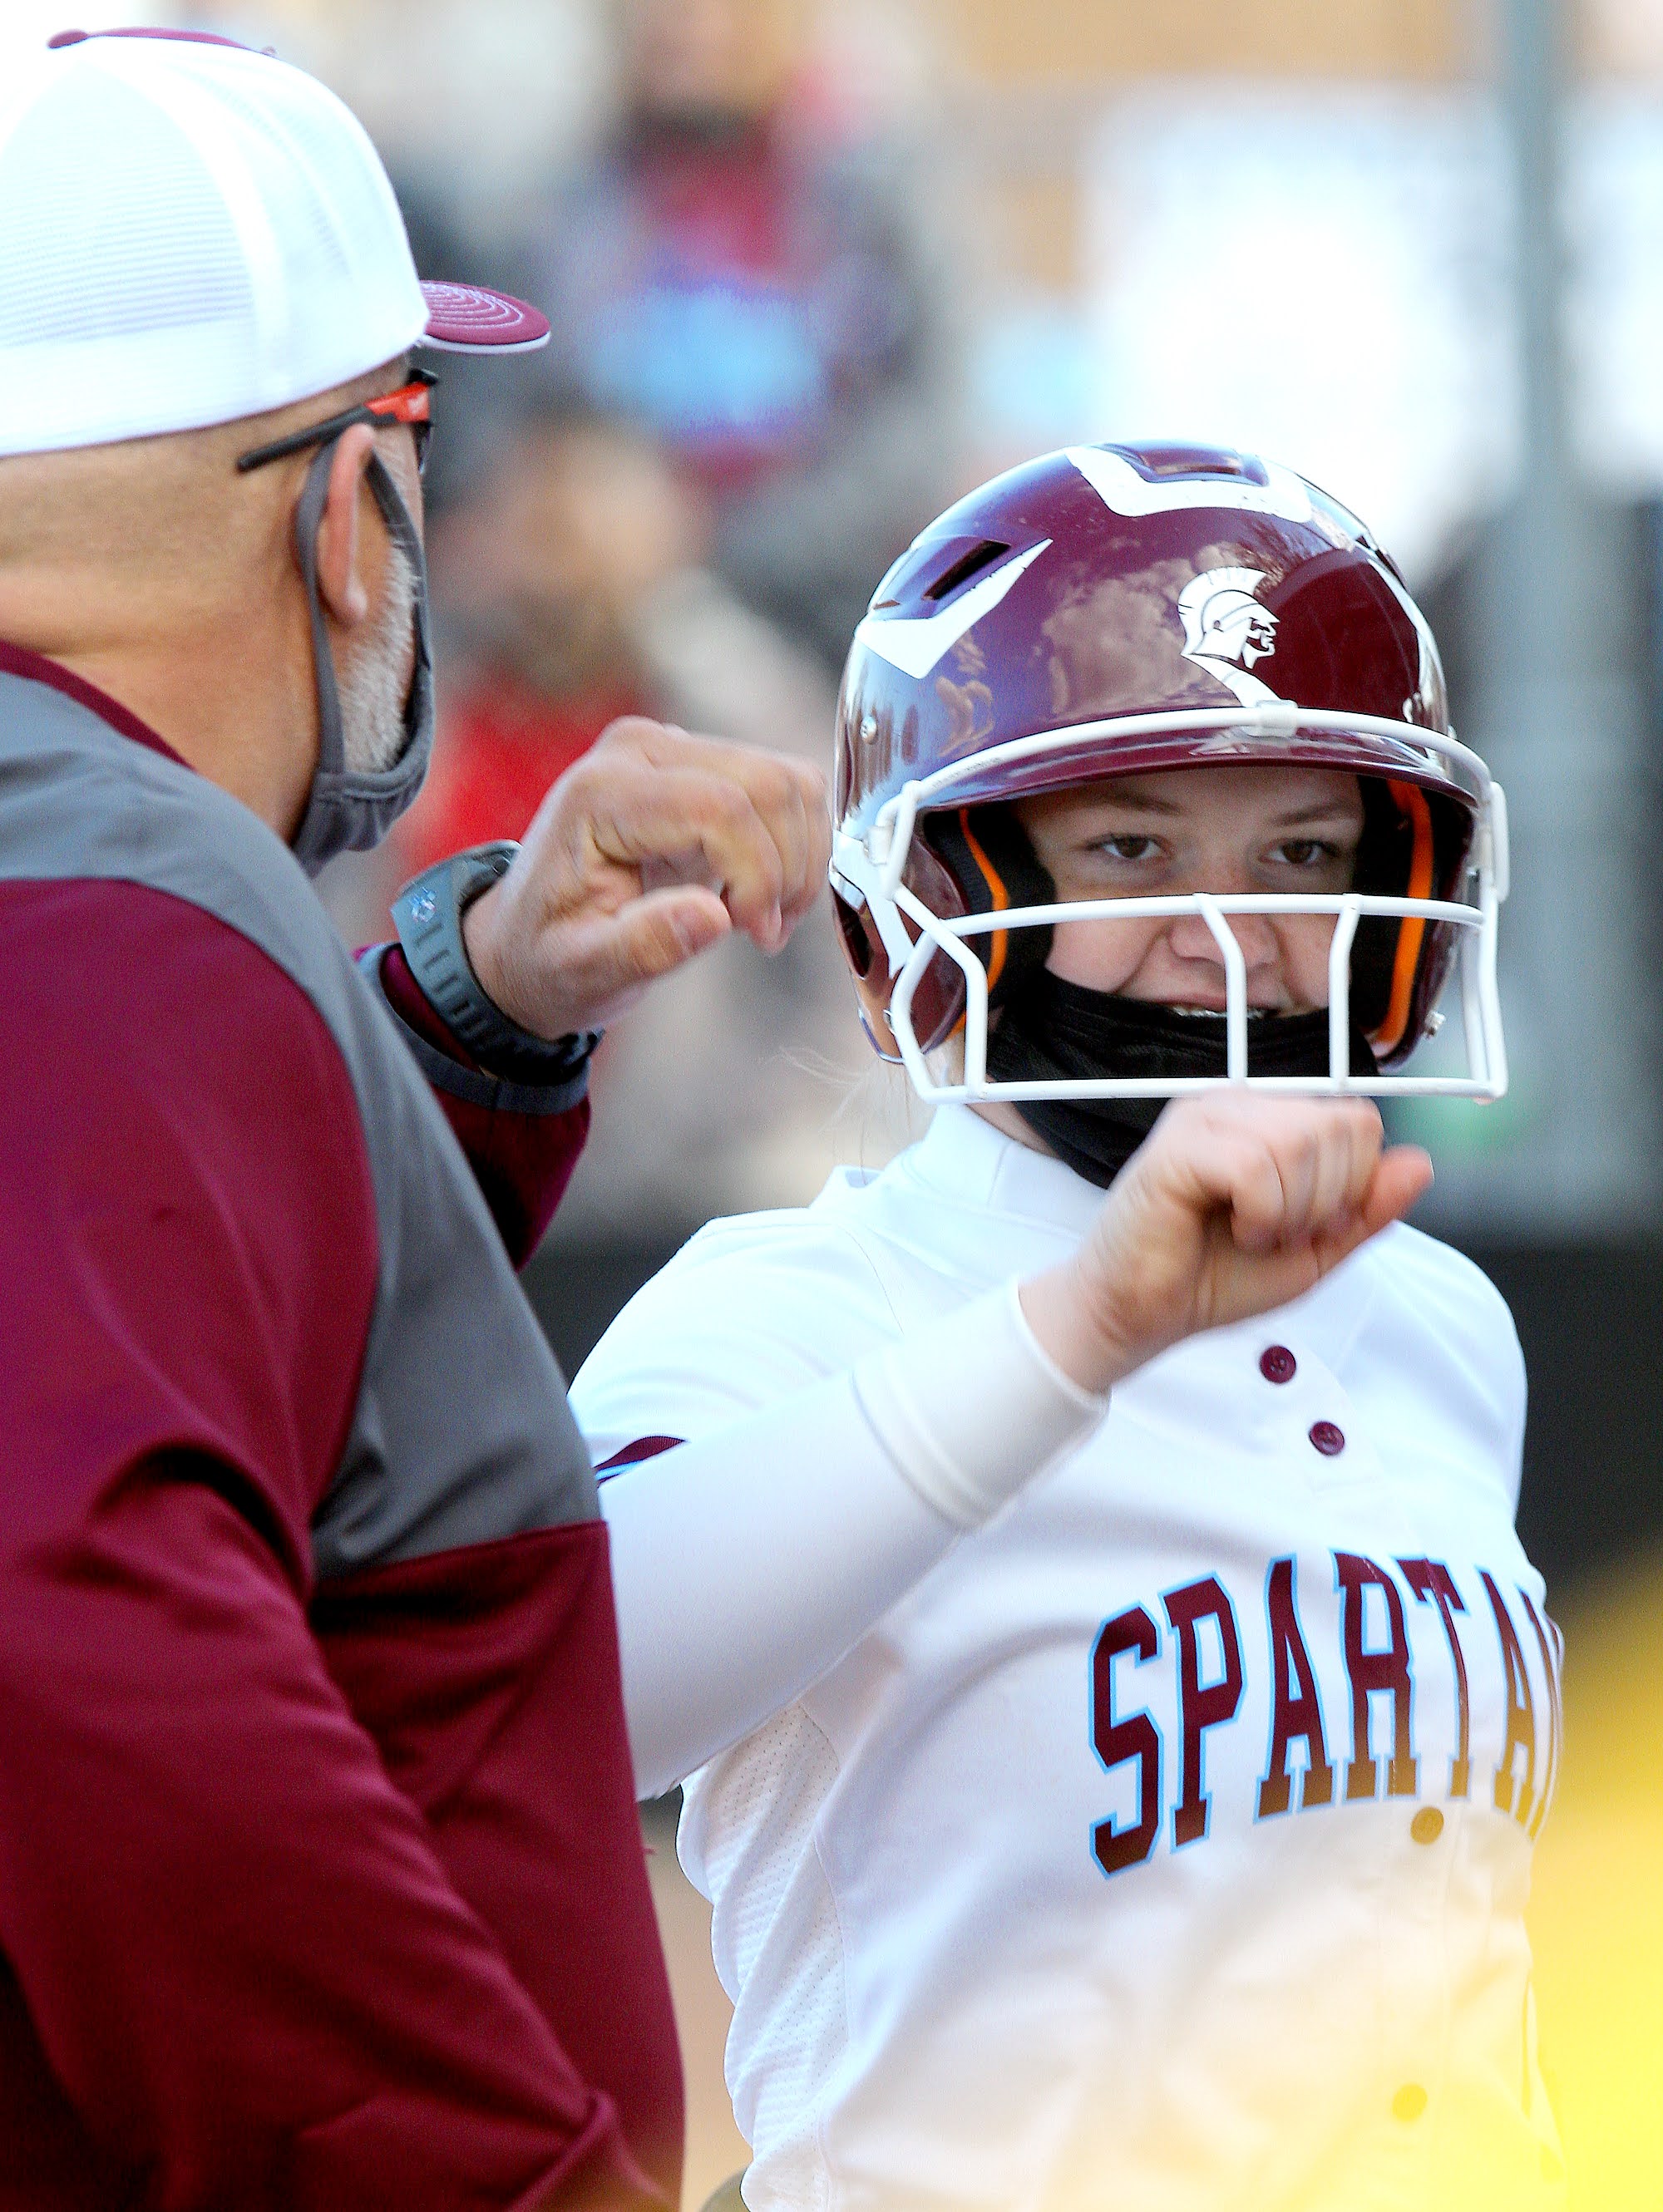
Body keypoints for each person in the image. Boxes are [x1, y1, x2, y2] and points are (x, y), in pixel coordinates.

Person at [0, 30, 827, 2210]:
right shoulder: (105, 894)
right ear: (351, 503)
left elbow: (171, 1353)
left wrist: (463, 1014)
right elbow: (76, 1652)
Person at [572, 443, 1567, 2209]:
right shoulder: (790, 1308)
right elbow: (564, 1696)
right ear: (932, 900)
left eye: (1304, 850)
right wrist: (1082, 1328)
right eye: (1127, 844)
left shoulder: (1440, 1321)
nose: (1231, 935)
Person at [513, 0, 960, 669]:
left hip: (815, 607)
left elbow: (924, 432)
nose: (687, 27)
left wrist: (703, 539)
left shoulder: (869, 194)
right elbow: (535, 411)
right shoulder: (576, 205)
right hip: (597, 611)